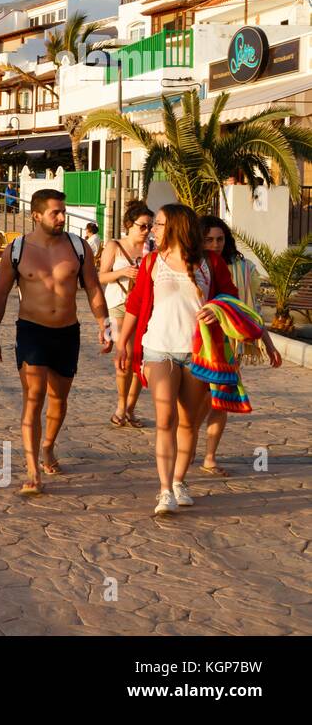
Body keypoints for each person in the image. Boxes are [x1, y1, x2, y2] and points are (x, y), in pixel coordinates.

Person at [117, 205, 280, 516]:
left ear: (176, 226)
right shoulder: (152, 262)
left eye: (160, 223)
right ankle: (165, 490)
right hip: (158, 349)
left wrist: (219, 311)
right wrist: (123, 344)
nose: (154, 229)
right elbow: (135, 306)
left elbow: (233, 302)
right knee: (165, 420)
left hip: (197, 353)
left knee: (188, 422)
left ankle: (179, 481)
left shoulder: (211, 264)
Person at [0, 189, 111, 496]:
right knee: (34, 396)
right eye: (55, 212)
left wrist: (104, 326)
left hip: (68, 332)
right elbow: (0, 295)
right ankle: (31, 469)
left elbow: (93, 288)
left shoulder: (78, 247)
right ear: (36, 215)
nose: (61, 217)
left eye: (62, 211)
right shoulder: (17, 250)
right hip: (31, 330)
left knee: (59, 399)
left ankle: (48, 447)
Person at [197, 215, 273, 478]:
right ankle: (182, 451)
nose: (215, 244)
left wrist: (266, 340)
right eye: (209, 239)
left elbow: (251, 310)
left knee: (219, 400)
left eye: (220, 239)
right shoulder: (192, 265)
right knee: (198, 402)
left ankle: (209, 456)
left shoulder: (244, 268)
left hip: (231, 344)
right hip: (197, 343)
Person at [100, 202, 153, 429]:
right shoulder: (114, 246)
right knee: (125, 356)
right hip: (118, 305)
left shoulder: (152, 248)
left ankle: (130, 408)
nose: (147, 230)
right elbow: (100, 277)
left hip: (144, 307)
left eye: (150, 226)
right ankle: (121, 406)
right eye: (142, 226)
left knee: (139, 358)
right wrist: (122, 272)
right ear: (129, 225)